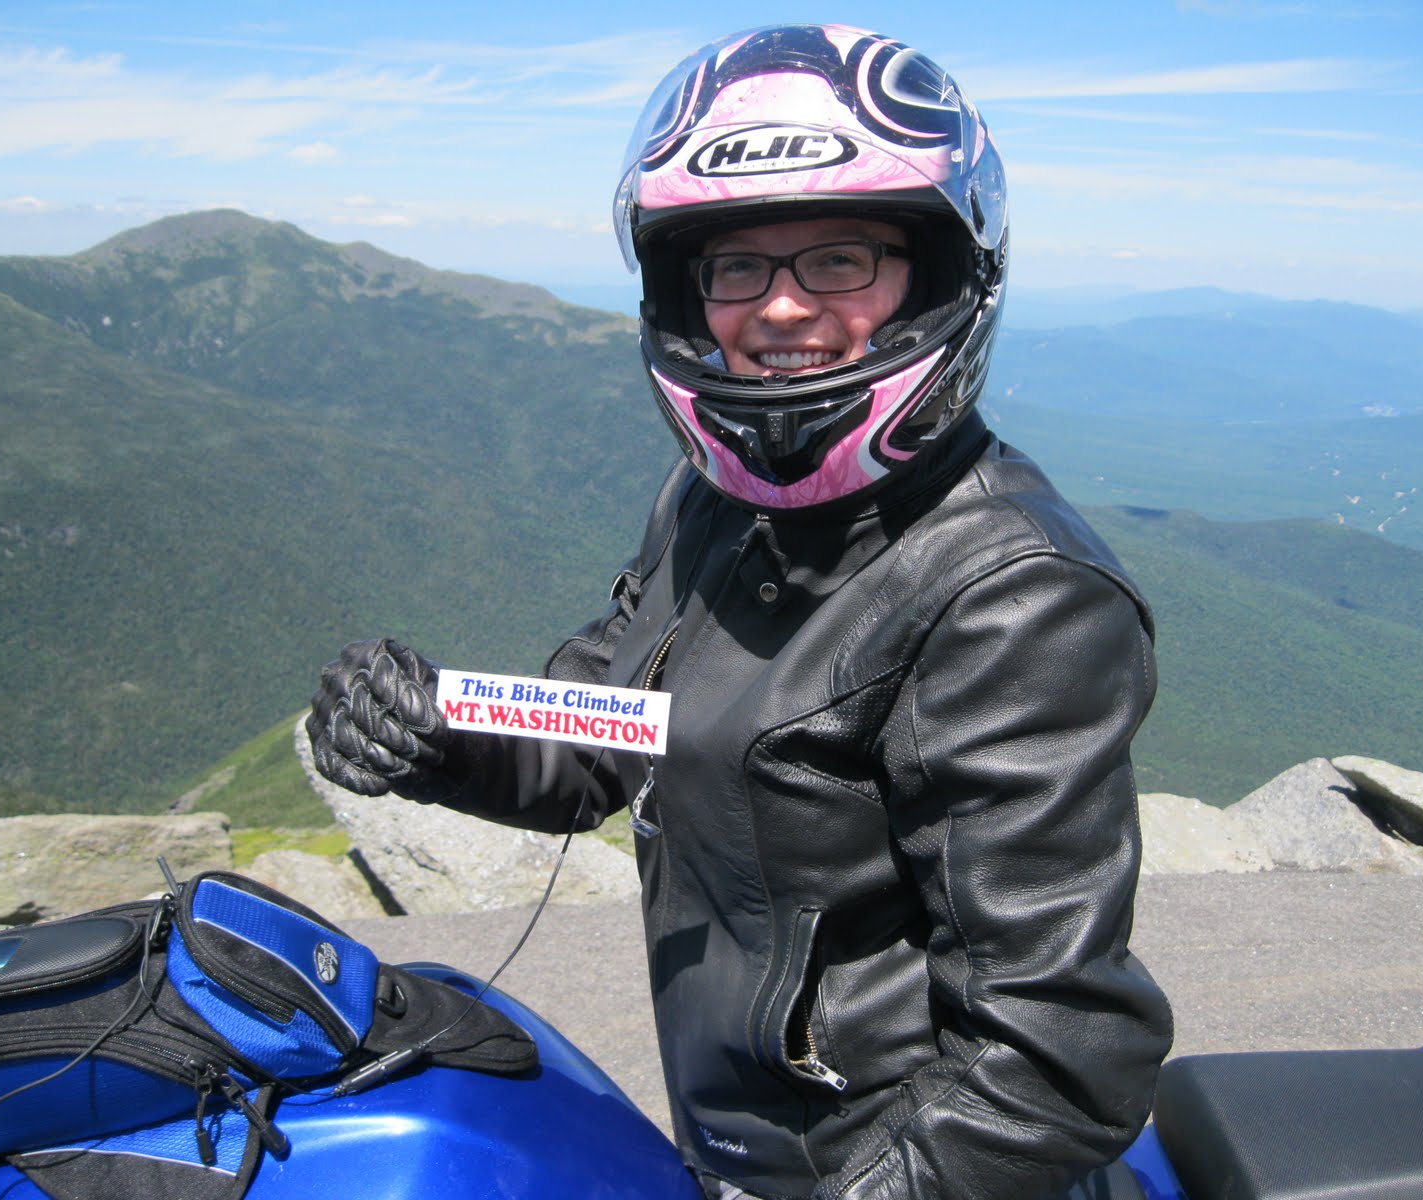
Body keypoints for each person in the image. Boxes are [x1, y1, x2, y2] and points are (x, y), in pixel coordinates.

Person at [308, 24, 1172, 1200]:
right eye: (734, 267)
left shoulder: (1010, 593)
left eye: (838, 260)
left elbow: (1057, 1052)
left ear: (934, 274)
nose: (776, 309)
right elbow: (605, 730)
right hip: (739, 1151)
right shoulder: (716, 504)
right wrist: (425, 726)